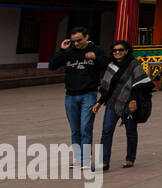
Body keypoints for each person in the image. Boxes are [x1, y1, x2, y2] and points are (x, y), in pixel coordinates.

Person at [48, 26, 108, 171]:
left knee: (85, 127)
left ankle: (85, 160)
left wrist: (96, 58)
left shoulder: (96, 49)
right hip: (70, 96)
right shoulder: (68, 51)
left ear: (86, 37)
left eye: (79, 40)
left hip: (89, 94)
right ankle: (78, 160)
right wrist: (61, 50)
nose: (76, 44)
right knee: (75, 129)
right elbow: (52, 66)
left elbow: (108, 65)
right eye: (73, 41)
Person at [93, 40, 151, 171]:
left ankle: (130, 158)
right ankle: (103, 162)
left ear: (126, 51)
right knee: (106, 131)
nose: (117, 52)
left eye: (120, 50)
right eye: (115, 50)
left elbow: (140, 84)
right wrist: (99, 102)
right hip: (112, 102)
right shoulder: (111, 65)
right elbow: (107, 87)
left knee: (130, 131)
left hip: (129, 102)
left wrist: (133, 100)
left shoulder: (134, 64)